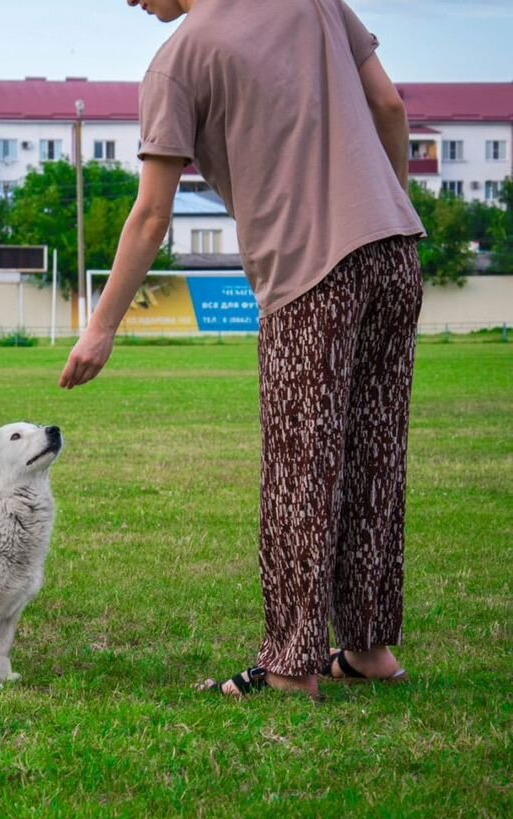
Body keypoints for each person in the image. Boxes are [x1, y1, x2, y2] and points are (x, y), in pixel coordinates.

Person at [59, 0, 425, 701]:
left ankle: (291, 668)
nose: (130, 2)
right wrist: (386, 207)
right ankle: (370, 649)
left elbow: (153, 213)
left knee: (300, 472)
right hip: (394, 250)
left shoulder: (178, 59)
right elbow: (389, 106)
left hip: (310, 271)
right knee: (374, 453)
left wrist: (101, 325)